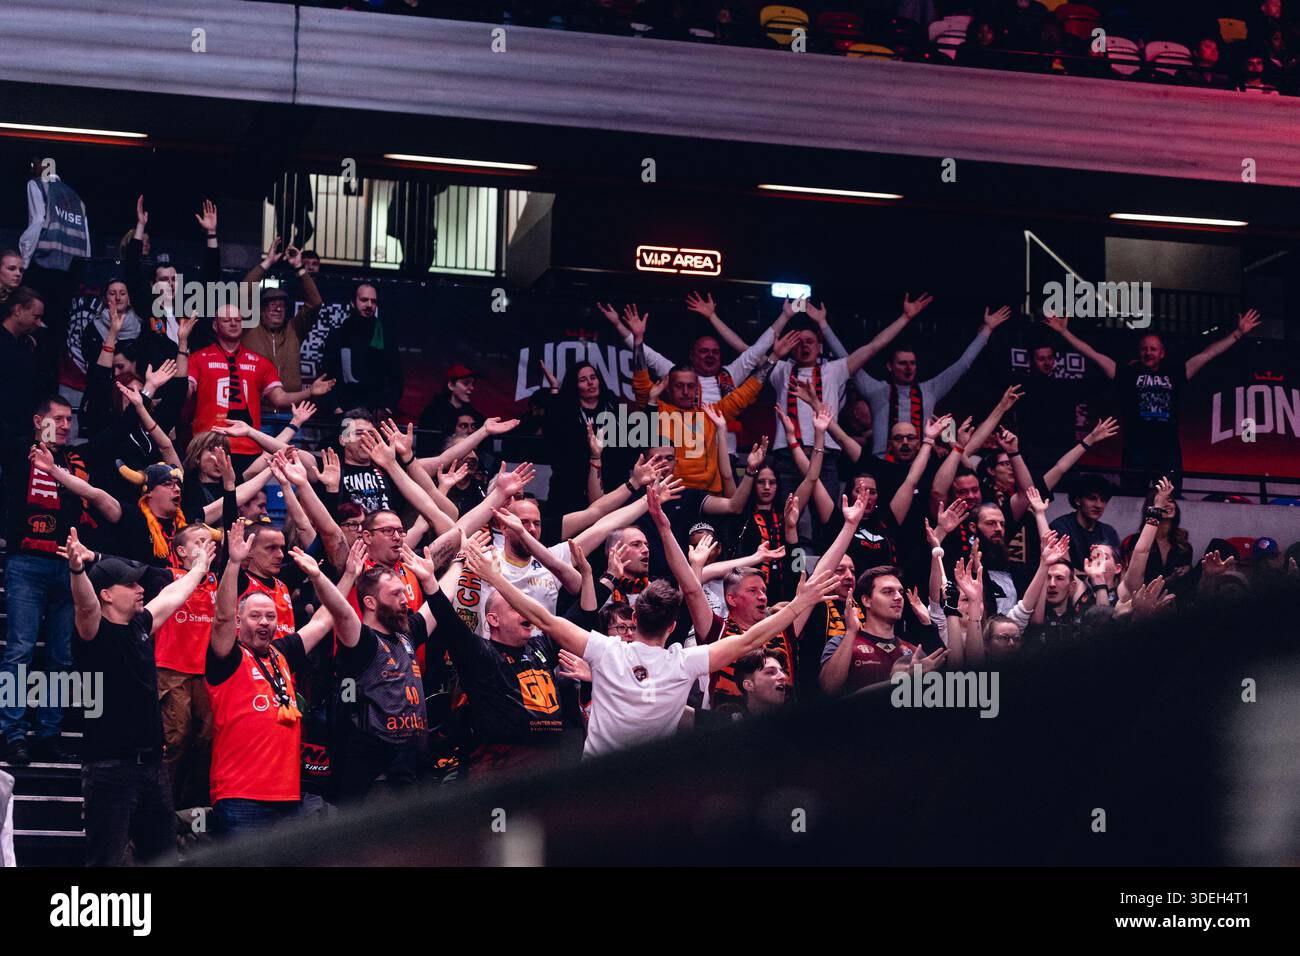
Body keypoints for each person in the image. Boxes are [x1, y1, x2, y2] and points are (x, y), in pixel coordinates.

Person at [465, 536, 840, 759]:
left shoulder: (605, 649)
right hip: (646, 789)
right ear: (674, 627)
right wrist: (797, 603)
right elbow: (750, 640)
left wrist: (496, 577)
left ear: (636, 619)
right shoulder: (685, 662)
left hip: (592, 785)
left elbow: (545, 619)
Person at [65, 528, 214, 866]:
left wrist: (199, 569)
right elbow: (85, 605)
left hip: (152, 767)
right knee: (106, 860)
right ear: (106, 594)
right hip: (109, 770)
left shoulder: (140, 625)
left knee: (161, 859)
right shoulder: (93, 633)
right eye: (130, 584)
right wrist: (76, 571)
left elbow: (173, 595)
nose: (140, 588)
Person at [207, 522, 357, 836]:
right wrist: (233, 564)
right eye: (255, 616)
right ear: (239, 621)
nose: (264, 622)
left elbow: (323, 619)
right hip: (240, 798)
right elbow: (220, 617)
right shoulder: (228, 658)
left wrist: (348, 578)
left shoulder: (281, 654)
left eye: (271, 616)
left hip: (290, 798)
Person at [0, 397, 120, 764]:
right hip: (26, 563)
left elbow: (117, 435)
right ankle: (12, 733)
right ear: (38, 421)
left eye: (70, 419)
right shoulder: (21, 451)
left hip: (70, 567)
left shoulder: (76, 460)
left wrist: (144, 394)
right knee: (19, 650)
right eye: (58, 419)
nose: (67, 425)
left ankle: (49, 734)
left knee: (62, 657)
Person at [1043, 310, 1261, 491]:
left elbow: (1208, 354)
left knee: (1168, 502)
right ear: (1139, 352)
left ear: (1162, 353)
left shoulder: (1176, 373)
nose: (1148, 353)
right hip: (1136, 451)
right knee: (1132, 500)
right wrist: (1064, 332)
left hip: (1167, 451)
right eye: (1145, 349)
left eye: (1153, 349)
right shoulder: (1127, 373)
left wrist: (1237, 334)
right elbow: (1092, 353)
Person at [600, 292, 795, 456]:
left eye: (715, 352)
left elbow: (758, 349)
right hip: (688, 453)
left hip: (725, 454)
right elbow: (648, 356)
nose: (710, 355)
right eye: (704, 351)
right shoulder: (681, 377)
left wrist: (785, 316)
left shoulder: (730, 375)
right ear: (692, 356)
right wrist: (621, 326)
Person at [847, 299, 1006, 457]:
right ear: (890, 366)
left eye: (912, 363)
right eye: (903, 363)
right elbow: (847, 363)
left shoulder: (929, 389)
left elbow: (962, 365)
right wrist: (823, 324)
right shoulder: (876, 390)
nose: (909, 368)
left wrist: (987, 330)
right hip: (882, 462)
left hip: (920, 463)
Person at [188, 303, 335, 471]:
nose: (234, 323)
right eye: (227, 320)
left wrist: (310, 391)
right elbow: (183, 394)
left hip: (249, 448)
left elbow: (280, 399)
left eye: (238, 319)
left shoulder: (260, 363)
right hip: (209, 444)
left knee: (250, 495)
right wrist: (182, 345)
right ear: (215, 325)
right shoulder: (198, 358)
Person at [820, 565, 947, 696]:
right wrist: (851, 632)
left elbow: (950, 682)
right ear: (867, 600)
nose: (898, 597)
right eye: (888, 591)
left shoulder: (912, 650)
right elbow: (829, 689)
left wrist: (927, 625)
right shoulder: (842, 642)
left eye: (900, 592)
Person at [240, 239, 325, 403]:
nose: (278, 309)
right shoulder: (249, 327)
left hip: (291, 410)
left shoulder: (294, 329)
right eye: (272, 305)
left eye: (282, 305)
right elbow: (244, 292)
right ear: (261, 309)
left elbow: (315, 303)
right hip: (255, 410)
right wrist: (268, 262)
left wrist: (299, 267)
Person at [322, 283, 403, 415]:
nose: (369, 305)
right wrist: (336, 408)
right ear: (353, 303)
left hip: (376, 413)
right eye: (364, 300)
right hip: (345, 411)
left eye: (373, 301)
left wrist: (388, 408)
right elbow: (326, 375)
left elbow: (396, 377)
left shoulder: (386, 336)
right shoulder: (338, 335)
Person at [1049, 474, 1120, 572]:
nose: (1098, 505)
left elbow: (1114, 570)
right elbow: (1063, 570)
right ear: (1078, 500)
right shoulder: (1061, 527)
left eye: (1103, 500)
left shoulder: (1109, 532)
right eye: (1092, 498)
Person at [418, 363, 483, 442]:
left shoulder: (476, 416)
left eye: (473, 383)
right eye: (466, 383)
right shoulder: (432, 413)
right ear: (451, 385)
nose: (471, 388)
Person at [730, 650, 790, 719]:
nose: (783, 676)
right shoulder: (729, 725)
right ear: (749, 685)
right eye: (770, 672)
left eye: (782, 671)